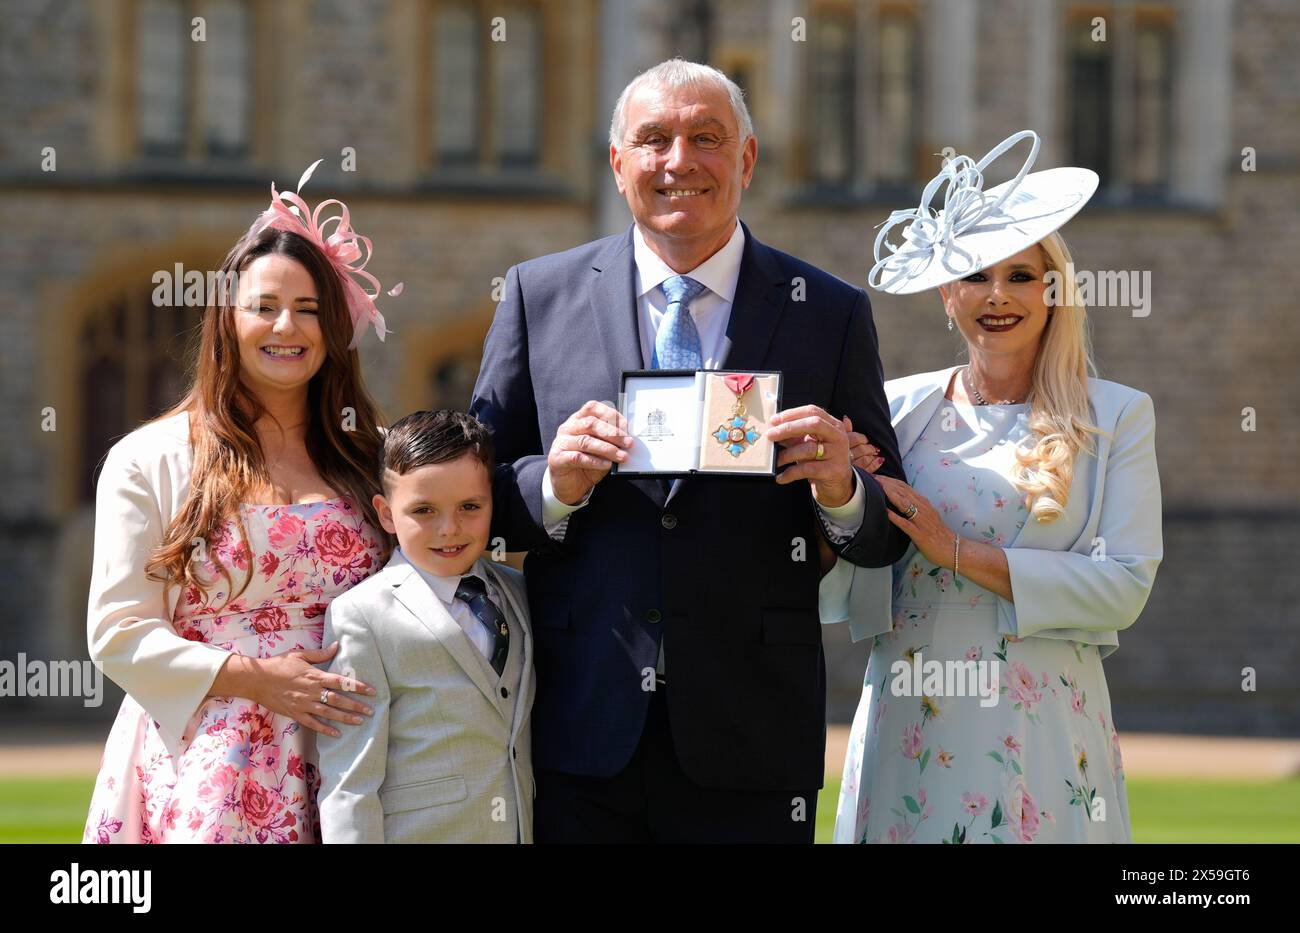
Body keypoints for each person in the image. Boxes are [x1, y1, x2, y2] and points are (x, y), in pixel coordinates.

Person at [469, 58, 909, 843]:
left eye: (706, 138)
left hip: (753, 736)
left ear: (745, 158)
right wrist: (554, 486)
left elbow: (888, 531)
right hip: (580, 730)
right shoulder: (538, 296)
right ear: (618, 163)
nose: (679, 162)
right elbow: (472, 504)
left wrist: (842, 490)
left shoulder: (829, 313)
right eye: (654, 140)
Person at [821, 130, 1162, 843]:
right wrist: (838, 499)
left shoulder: (1116, 414)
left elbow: (1125, 585)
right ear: (948, 295)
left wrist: (957, 551)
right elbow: (837, 588)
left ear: (1053, 289)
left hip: (1043, 715)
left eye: (1021, 275)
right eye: (976, 276)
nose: (997, 295)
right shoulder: (897, 407)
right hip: (909, 709)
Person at [82, 163, 398, 843]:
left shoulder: (366, 457)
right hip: (210, 763)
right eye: (264, 306)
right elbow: (117, 630)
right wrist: (258, 679)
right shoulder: (150, 459)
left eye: (310, 309)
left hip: (356, 753)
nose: (289, 325)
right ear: (227, 319)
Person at [317, 410, 535, 843]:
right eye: (423, 510)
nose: (449, 529)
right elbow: (349, 782)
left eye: (470, 507)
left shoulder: (517, 591)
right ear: (385, 513)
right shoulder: (360, 615)